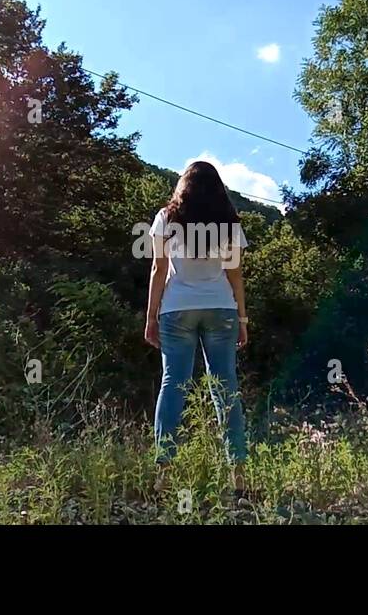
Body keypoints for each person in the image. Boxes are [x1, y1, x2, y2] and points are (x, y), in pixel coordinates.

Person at [144, 160, 249, 495]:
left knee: (173, 383)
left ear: (182, 186)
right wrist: (243, 319)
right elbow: (234, 275)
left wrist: (150, 316)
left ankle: (164, 475)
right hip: (221, 308)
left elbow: (159, 269)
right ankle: (239, 476)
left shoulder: (166, 217)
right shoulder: (229, 222)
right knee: (225, 388)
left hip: (176, 310)